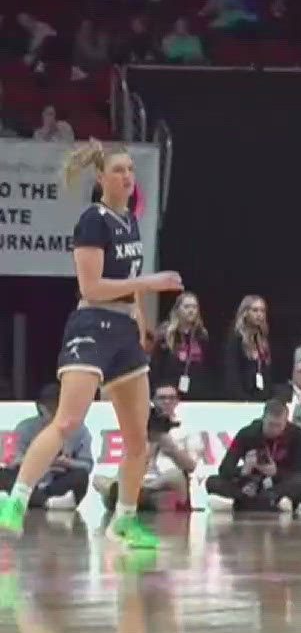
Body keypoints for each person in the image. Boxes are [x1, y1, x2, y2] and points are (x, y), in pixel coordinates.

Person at [0, 140, 183, 543]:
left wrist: (140, 319)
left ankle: (126, 519)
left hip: (123, 333)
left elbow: (127, 283)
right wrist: (150, 283)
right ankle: (15, 497)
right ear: (101, 178)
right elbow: (93, 286)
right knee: (67, 420)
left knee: (138, 438)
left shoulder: (129, 221)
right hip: (91, 324)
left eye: (132, 170)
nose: (128, 177)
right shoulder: (93, 219)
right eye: (119, 170)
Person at [94, 384, 196, 513]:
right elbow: (130, 462)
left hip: (162, 482)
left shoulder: (185, 429)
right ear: (153, 401)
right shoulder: (139, 426)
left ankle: (136, 491)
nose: (167, 402)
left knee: (175, 475)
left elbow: (190, 466)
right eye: (162, 398)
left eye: (171, 398)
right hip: (138, 478)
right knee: (98, 479)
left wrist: (170, 447)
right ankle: (128, 492)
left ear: (177, 401)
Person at [206, 399, 301, 512]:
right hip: (251, 482)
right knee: (212, 482)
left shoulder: (297, 435)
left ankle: (239, 504)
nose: (274, 430)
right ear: (263, 419)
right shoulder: (247, 433)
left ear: (286, 422)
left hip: (279, 484)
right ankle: (272, 504)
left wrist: (276, 472)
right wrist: (245, 469)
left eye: (279, 426)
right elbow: (224, 469)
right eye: (271, 425)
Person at [0, 383, 93, 510]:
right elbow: (14, 459)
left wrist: (68, 463)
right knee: (4, 475)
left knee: (81, 476)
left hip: (57, 481)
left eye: (58, 406)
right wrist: (39, 462)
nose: (54, 412)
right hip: (29, 481)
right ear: (40, 407)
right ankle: (47, 502)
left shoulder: (80, 430)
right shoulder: (26, 428)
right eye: (50, 407)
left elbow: (87, 464)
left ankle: (33, 500)